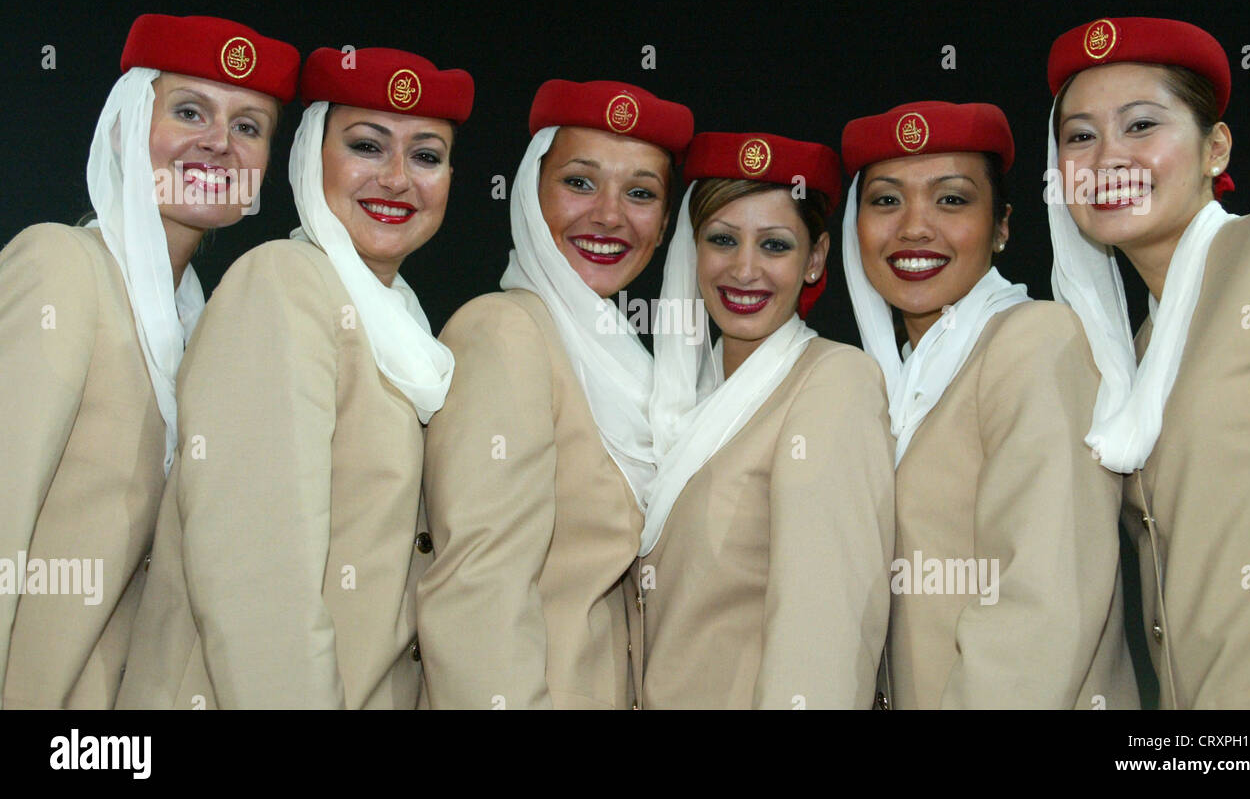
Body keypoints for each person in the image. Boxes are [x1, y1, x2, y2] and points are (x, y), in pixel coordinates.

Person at [117, 46, 472, 708]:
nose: (397, 178)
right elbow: (258, 585)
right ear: (311, 155)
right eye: (368, 145)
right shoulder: (283, 284)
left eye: (426, 155)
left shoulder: (402, 327)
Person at [0, 14, 298, 709]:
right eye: (190, 111)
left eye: (249, 127)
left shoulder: (213, 328)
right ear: (125, 125)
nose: (219, 143)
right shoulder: (61, 268)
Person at [841, 100, 1138, 709]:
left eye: (951, 199)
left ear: (1002, 226)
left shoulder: (1034, 340)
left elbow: (1039, 604)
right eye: (886, 200)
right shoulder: (883, 383)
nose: (914, 227)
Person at [1046, 16, 1250, 708]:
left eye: (1140, 125)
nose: (1106, 160)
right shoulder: (1130, 357)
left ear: (1216, 146)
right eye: (1079, 136)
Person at [417, 79, 692, 709]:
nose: (609, 215)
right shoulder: (504, 333)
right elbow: (476, 600)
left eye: (641, 193)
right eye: (579, 182)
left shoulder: (630, 363)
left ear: (666, 222)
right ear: (528, 192)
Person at [633, 131, 894, 709]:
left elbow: (826, 622)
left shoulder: (833, 381)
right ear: (691, 249)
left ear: (816, 259)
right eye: (722, 239)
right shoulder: (670, 399)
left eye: (775, 245)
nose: (744, 269)